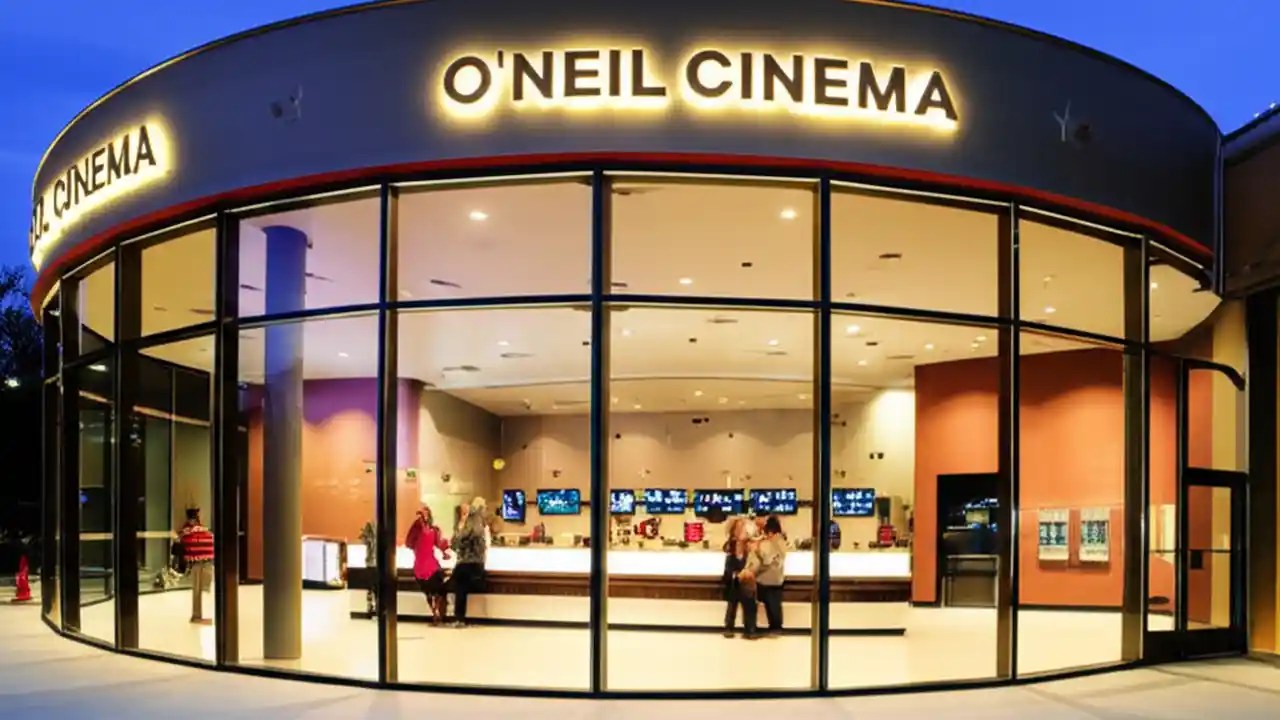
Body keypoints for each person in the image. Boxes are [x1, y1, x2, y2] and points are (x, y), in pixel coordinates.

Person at [449, 497, 494, 628]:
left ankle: (459, 618)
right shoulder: (479, 522)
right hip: (476, 565)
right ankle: (461, 617)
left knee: (458, 587)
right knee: (460, 585)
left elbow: (456, 542)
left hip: (466, 563)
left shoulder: (469, 523)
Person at [405, 504, 450, 625]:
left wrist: (445, 552)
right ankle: (436, 613)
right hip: (424, 565)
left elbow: (439, 543)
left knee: (435, 590)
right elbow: (409, 542)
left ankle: (436, 613)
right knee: (432, 590)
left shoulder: (432, 530)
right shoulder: (420, 529)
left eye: (424, 513)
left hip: (427, 564)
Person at [721, 518, 762, 639]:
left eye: (742, 528)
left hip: (747, 580)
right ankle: (729, 628)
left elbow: (755, 561)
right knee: (732, 605)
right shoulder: (730, 545)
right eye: (738, 528)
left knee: (749, 604)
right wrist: (735, 574)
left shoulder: (751, 545)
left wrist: (747, 571)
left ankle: (750, 629)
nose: (741, 531)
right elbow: (728, 564)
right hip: (734, 579)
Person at [178, 507, 214, 625]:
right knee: (197, 590)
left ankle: (197, 615)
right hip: (197, 563)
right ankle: (196, 615)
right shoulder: (189, 531)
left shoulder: (192, 531)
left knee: (200, 589)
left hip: (203, 562)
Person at [756, 515, 787, 635]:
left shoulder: (774, 543)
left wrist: (758, 550)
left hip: (769, 579)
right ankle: (776, 628)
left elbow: (767, 560)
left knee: (772, 606)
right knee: (775, 605)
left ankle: (775, 628)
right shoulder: (782, 542)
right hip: (777, 579)